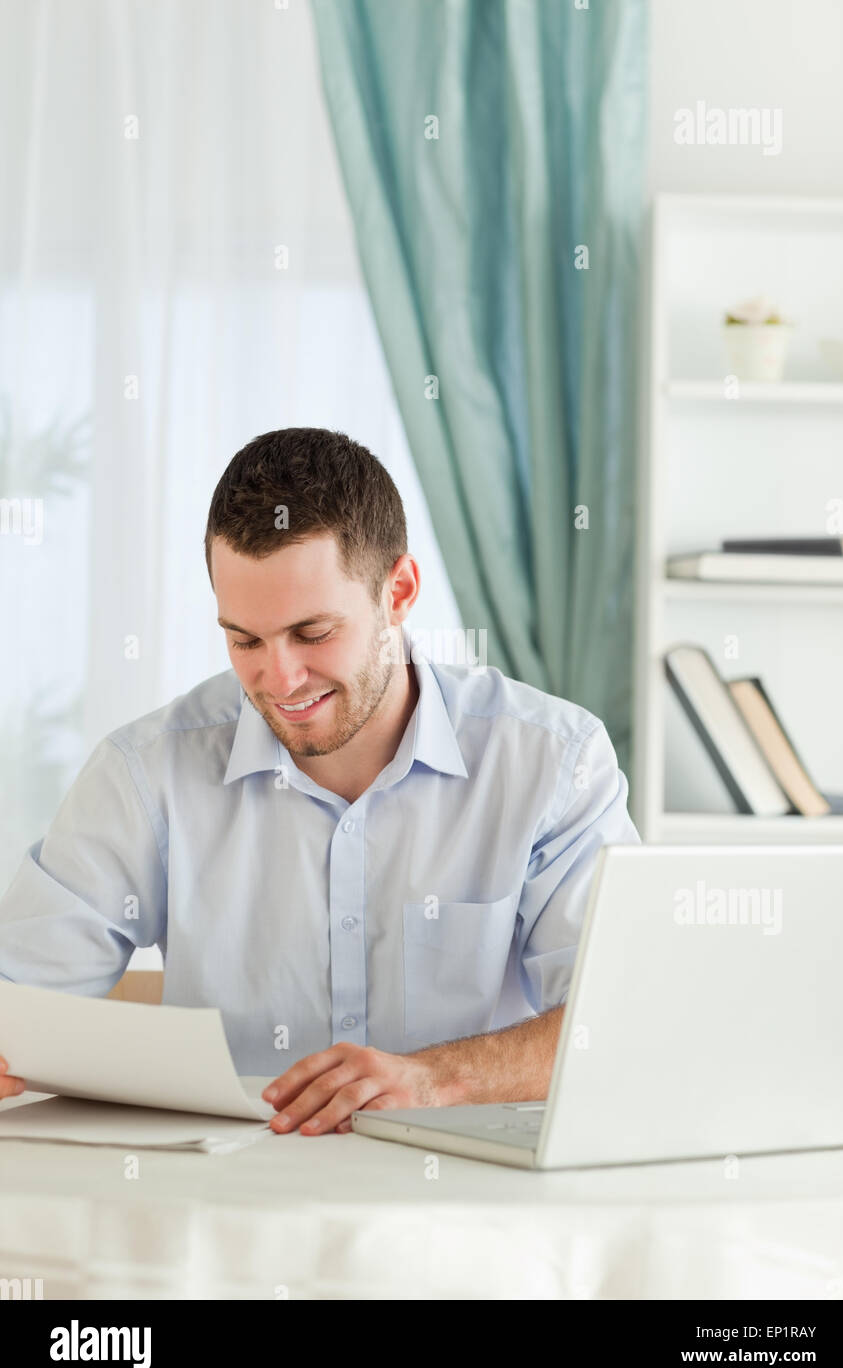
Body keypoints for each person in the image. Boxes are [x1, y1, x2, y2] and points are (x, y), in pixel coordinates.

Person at [0, 426, 640, 1135]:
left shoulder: (552, 762)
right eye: (244, 639)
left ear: (398, 592)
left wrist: (433, 1078)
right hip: (226, 1203)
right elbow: (20, 999)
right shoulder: (147, 772)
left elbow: (622, 1016)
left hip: (472, 1204)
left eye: (312, 633)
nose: (280, 679)